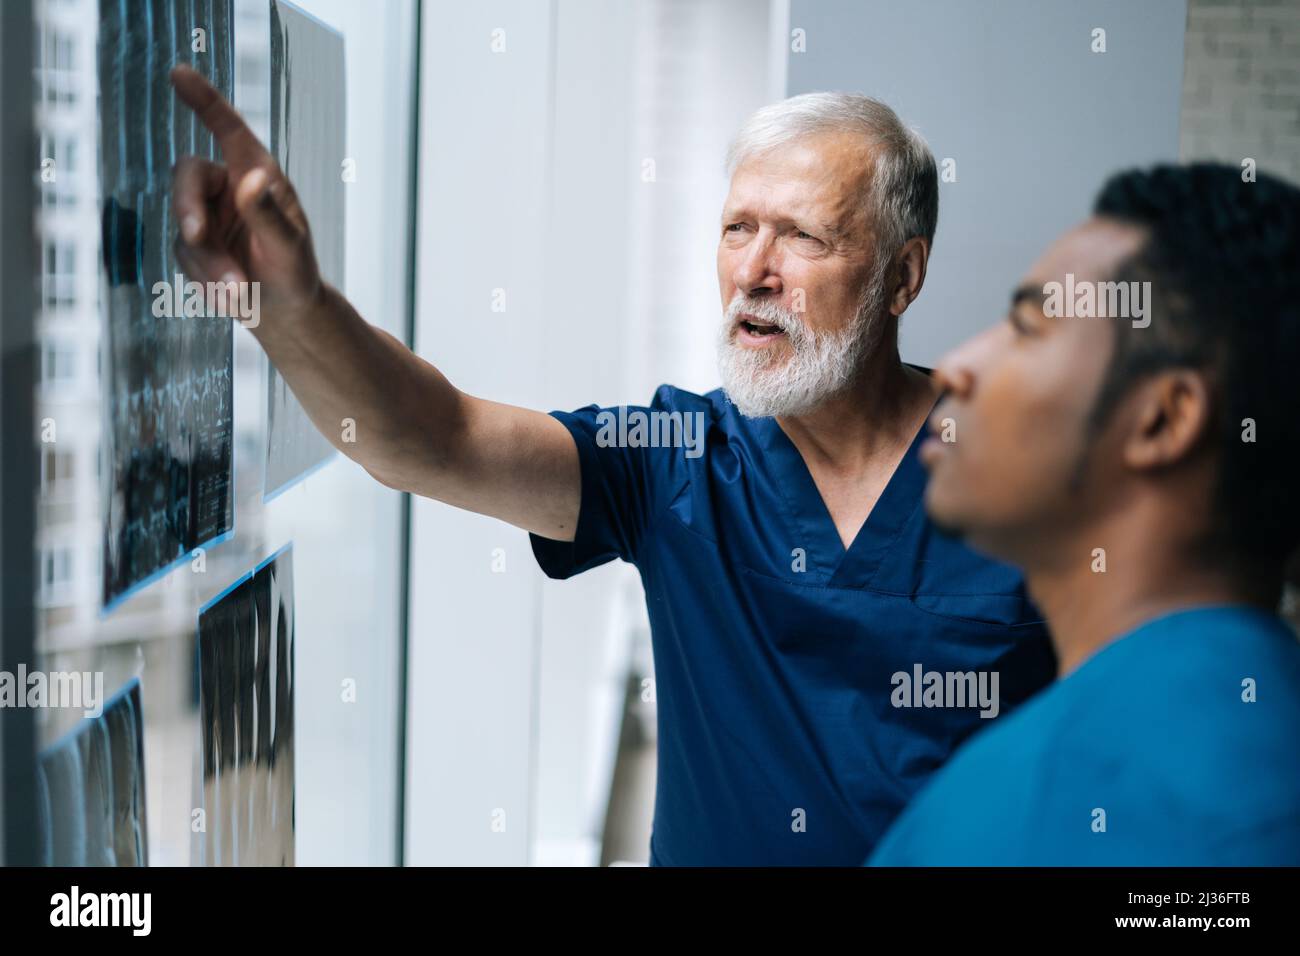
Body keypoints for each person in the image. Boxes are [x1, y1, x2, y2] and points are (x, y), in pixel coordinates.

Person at [169, 66, 1054, 865]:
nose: (751, 270)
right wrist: (288, 306)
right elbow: (431, 439)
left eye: (804, 238)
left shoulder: (1040, 479)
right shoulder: (676, 461)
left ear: (903, 278)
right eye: (736, 228)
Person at [870, 163, 1300, 865]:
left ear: (1163, 420)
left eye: (1026, 327)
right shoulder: (1262, 735)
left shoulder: (1049, 808)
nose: (954, 366)